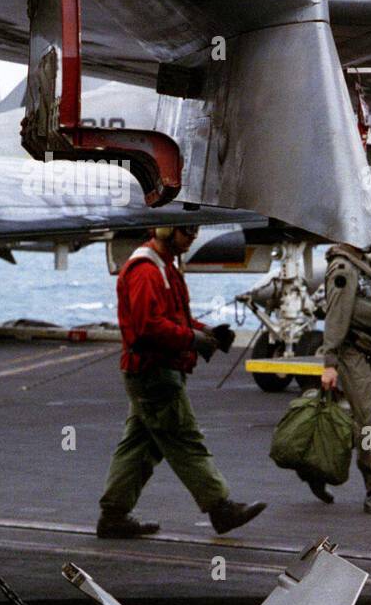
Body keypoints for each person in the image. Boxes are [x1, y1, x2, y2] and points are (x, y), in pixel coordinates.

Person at [96, 225, 266, 539]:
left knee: (139, 447)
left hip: (153, 371)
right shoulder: (147, 271)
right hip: (154, 373)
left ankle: (114, 516)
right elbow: (148, 327)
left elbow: (174, 318)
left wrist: (208, 332)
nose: (193, 237)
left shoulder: (164, 268)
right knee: (184, 439)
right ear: (165, 230)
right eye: (187, 230)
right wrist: (192, 339)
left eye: (195, 231)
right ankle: (220, 508)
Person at [313, 243, 371, 515]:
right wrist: (329, 362)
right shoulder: (344, 268)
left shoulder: (362, 264)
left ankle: (317, 469)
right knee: (369, 421)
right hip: (351, 353)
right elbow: (336, 316)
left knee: (364, 421)